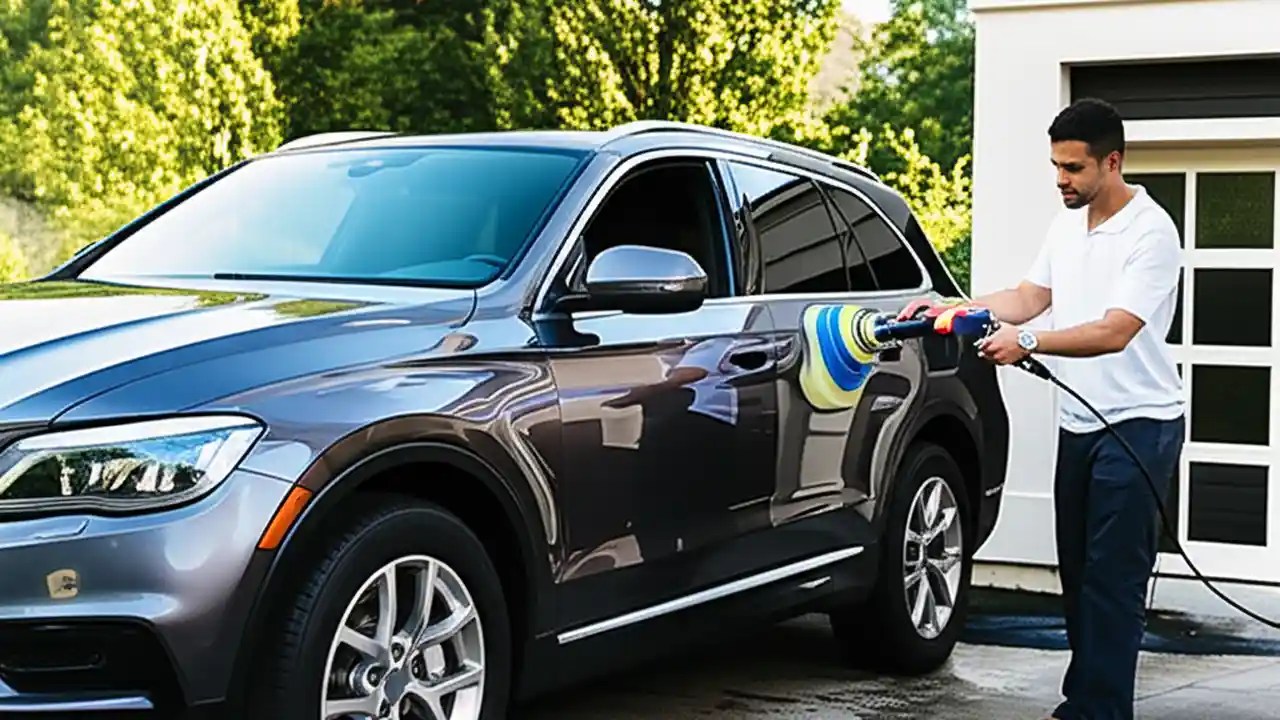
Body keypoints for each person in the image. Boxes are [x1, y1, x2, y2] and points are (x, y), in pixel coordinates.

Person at [903, 98, 1185, 720]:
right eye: (1056, 166)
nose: (1061, 178)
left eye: (1074, 168)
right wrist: (949, 308)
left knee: (1113, 580)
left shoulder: (1152, 232)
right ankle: (1085, 702)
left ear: (1111, 162)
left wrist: (1028, 342)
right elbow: (1030, 296)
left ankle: (1098, 710)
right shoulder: (1067, 225)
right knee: (1079, 576)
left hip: (1140, 425)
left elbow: (1115, 330)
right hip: (1080, 424)